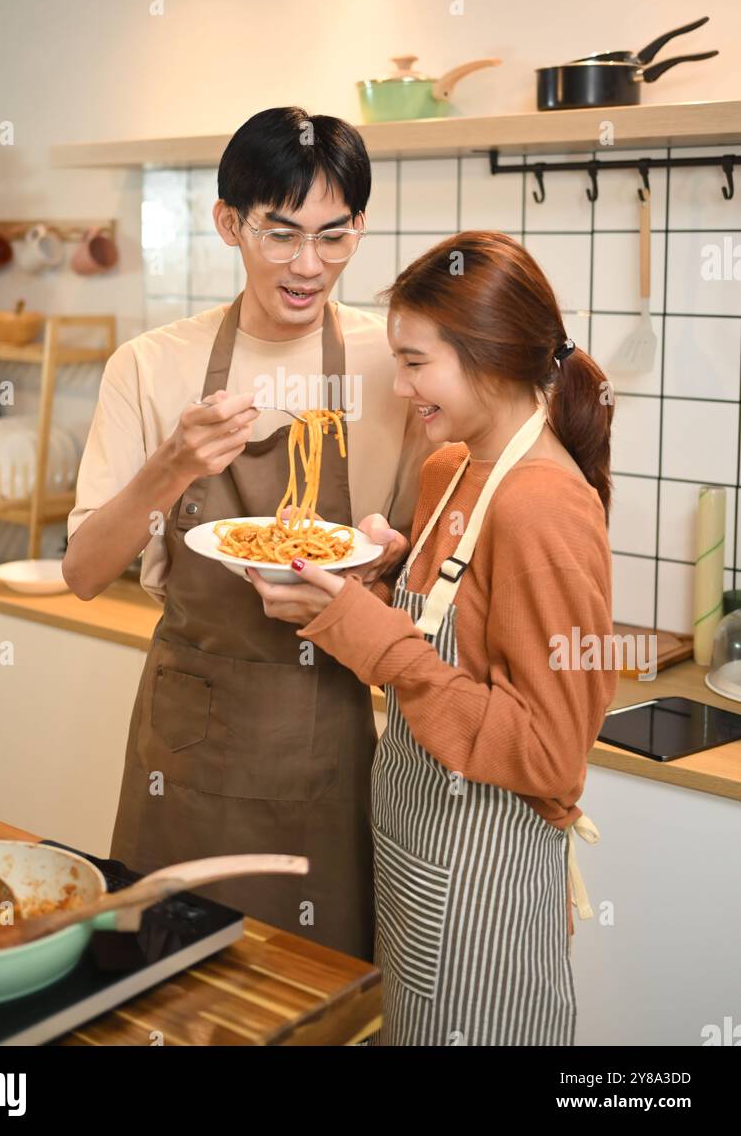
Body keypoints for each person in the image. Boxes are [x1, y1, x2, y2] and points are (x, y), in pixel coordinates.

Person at [62, 107, 439, 960]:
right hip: (188, 749)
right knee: (170, 985)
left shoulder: (395, 366)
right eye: (281, 235)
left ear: (358, 231)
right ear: (228, 222)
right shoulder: (152, 366)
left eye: (334, 238)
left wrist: (386, 567)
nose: (309, 267)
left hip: (332, 730)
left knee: (318, 991)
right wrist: (170, 466)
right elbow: (84, 572)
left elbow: (423, 553)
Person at [247, 229, 616, 1043]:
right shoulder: (450, 470)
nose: (402, 384)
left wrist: (358, 629)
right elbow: (452, 639)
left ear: (490, 355)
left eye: (416, 362)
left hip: (485, 875)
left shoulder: (542, 505)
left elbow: (549, 753)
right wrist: (376, 582)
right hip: (419, 850)